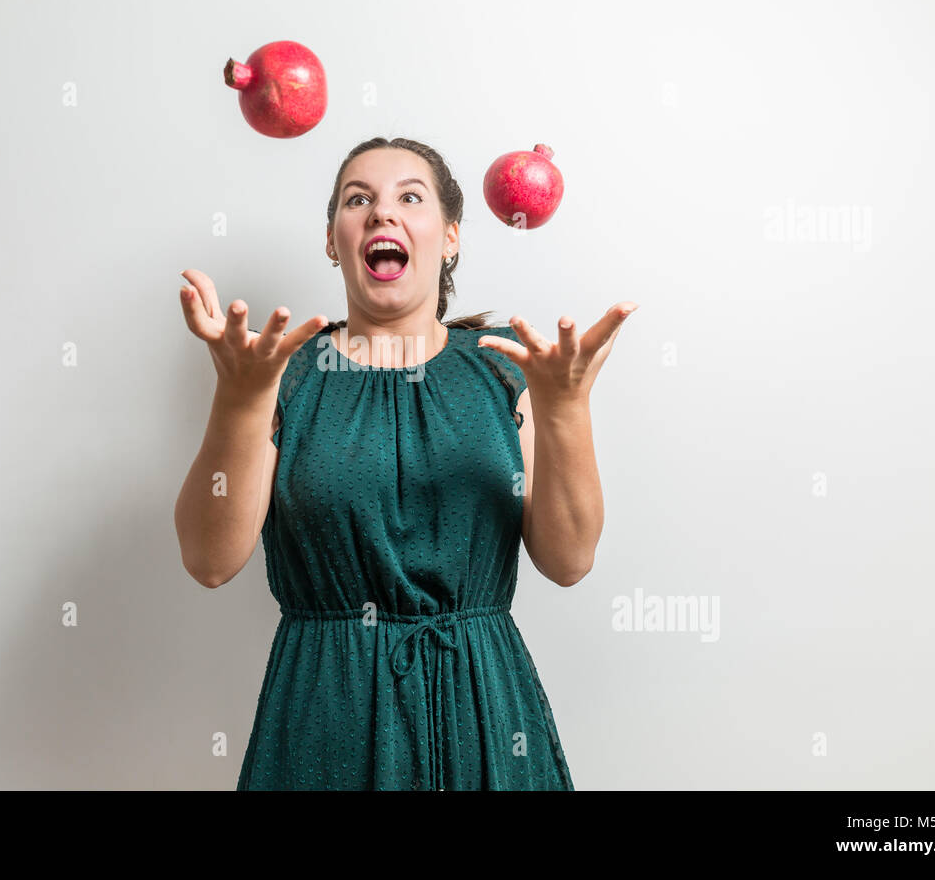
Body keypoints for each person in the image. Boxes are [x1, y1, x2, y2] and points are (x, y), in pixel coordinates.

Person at [175, 136, 637, 790]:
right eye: (357, 199)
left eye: (409, 198)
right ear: (334, 240)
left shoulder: (504, 371)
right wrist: (242, 397)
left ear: (449, 238)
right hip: (323, 719)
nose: (381, 213)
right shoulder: (286, 377)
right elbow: (208, 560)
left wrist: (564, 407)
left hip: (482, 710)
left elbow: (569, 561)